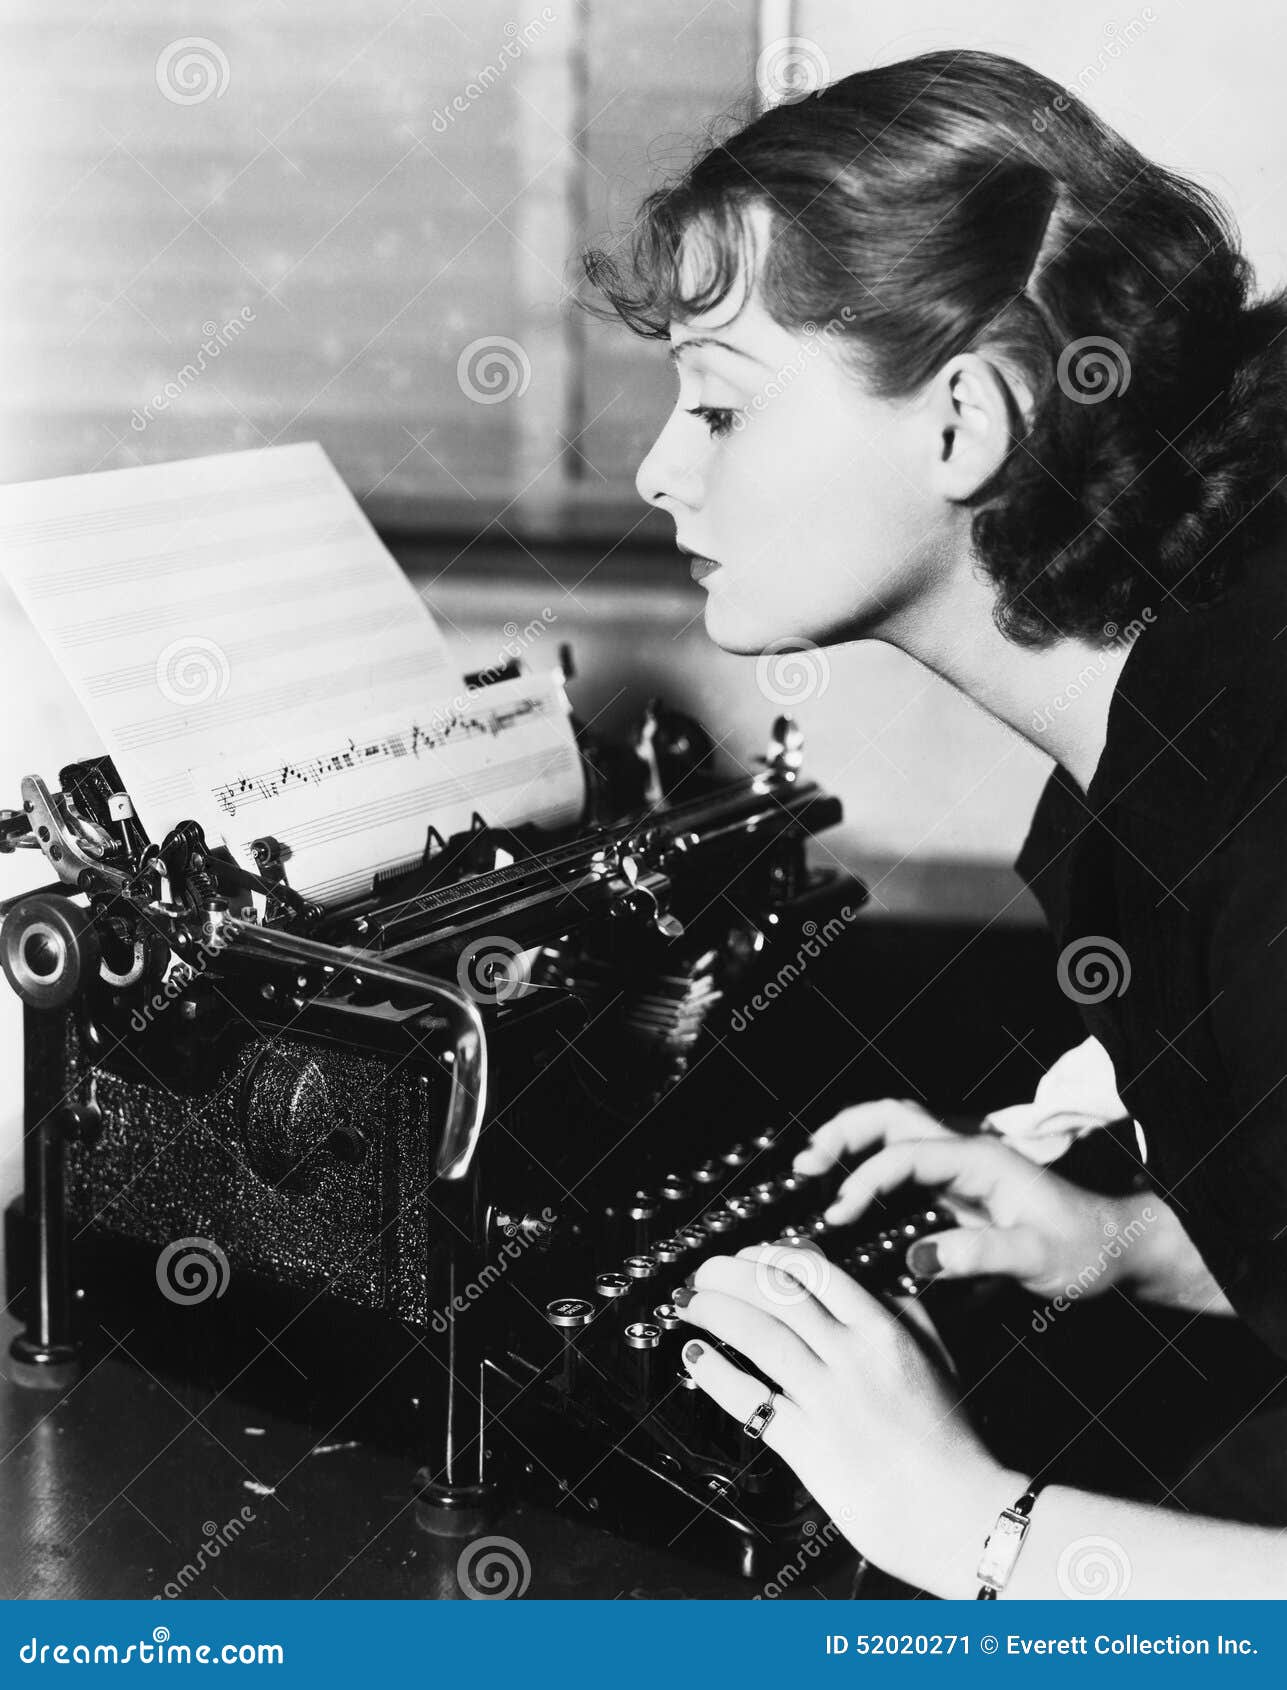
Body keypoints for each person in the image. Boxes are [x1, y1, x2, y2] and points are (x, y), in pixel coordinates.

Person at [583, 49, 1287, 1598]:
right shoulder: (1182, 728)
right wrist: (1133, 1244)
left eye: (717, 405)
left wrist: (974, 1521)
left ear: (964, 423)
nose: (655, 467)